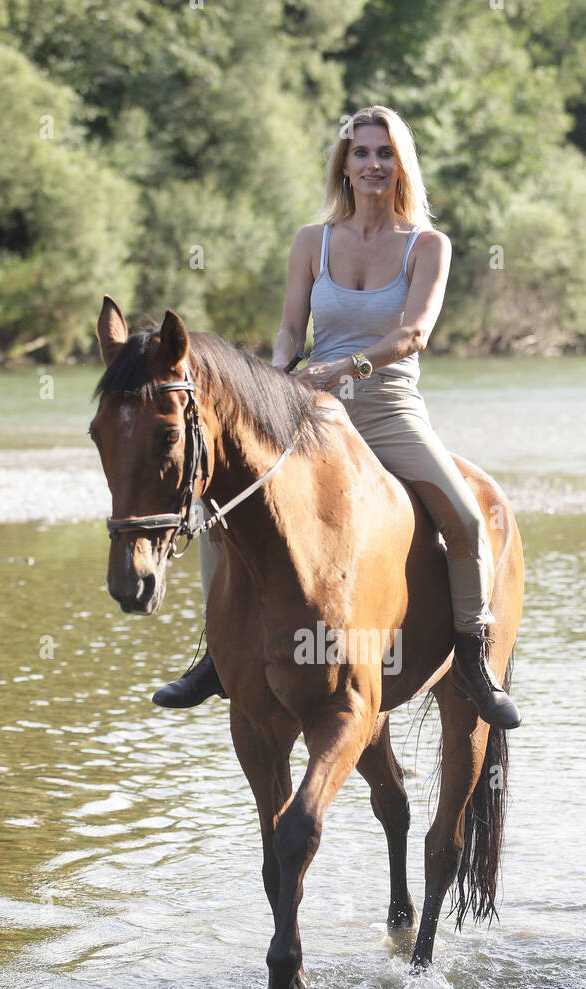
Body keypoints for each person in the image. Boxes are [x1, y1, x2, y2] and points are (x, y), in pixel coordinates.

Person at [153, 104, 520, 730]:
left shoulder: (428, 245)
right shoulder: (311, 241)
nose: (372, 164)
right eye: (361, 153)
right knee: (220, 510)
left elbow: (414, 335)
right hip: (314, 414)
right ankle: (216, 654)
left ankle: (474, 657)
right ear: (343, 165)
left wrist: (344, 367)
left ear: (400, 164)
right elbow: (292, 327)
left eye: (385, 153)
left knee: (464, 516)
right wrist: (275, 379)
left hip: (391, 412)